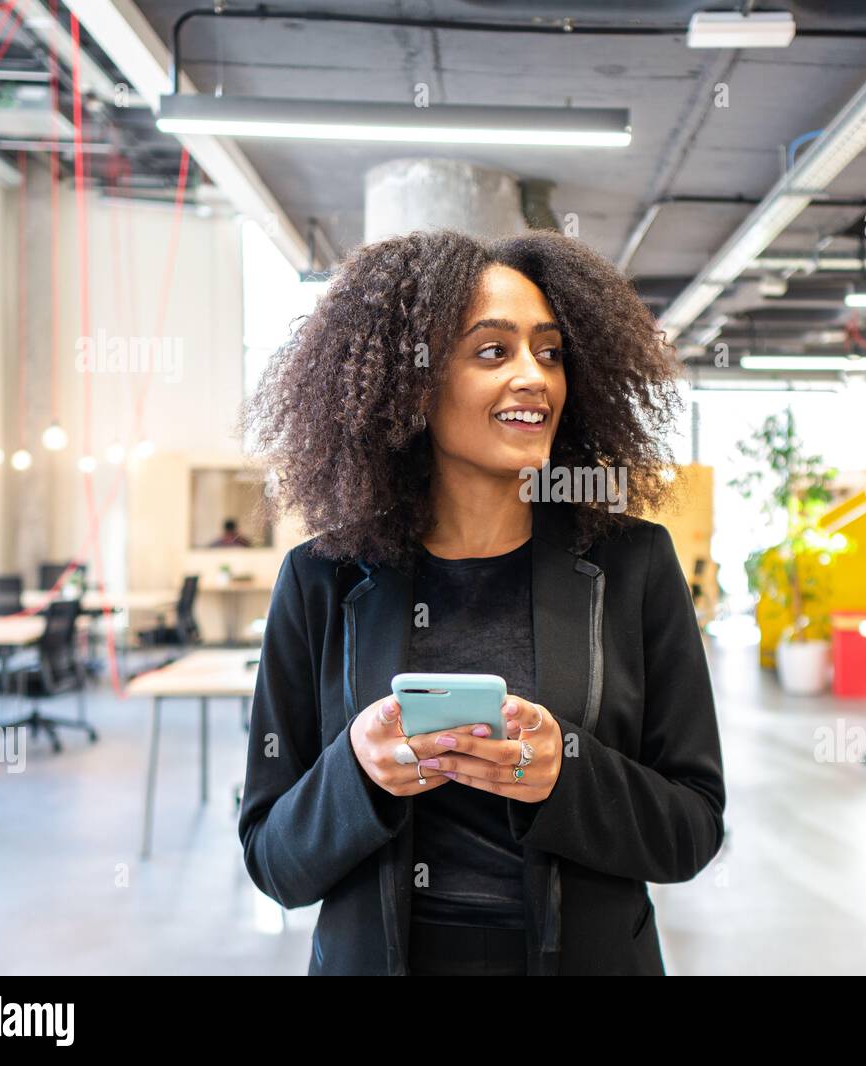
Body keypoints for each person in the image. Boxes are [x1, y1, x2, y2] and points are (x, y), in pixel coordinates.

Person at [237, 228, 726, 976]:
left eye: (551, 352)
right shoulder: (323, 580)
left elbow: (691, 831)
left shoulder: (634, 567)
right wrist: (357, 773)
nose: (536, 377)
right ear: (410, 387)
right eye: (493, 352)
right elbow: (276, 863)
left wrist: (566, 772)